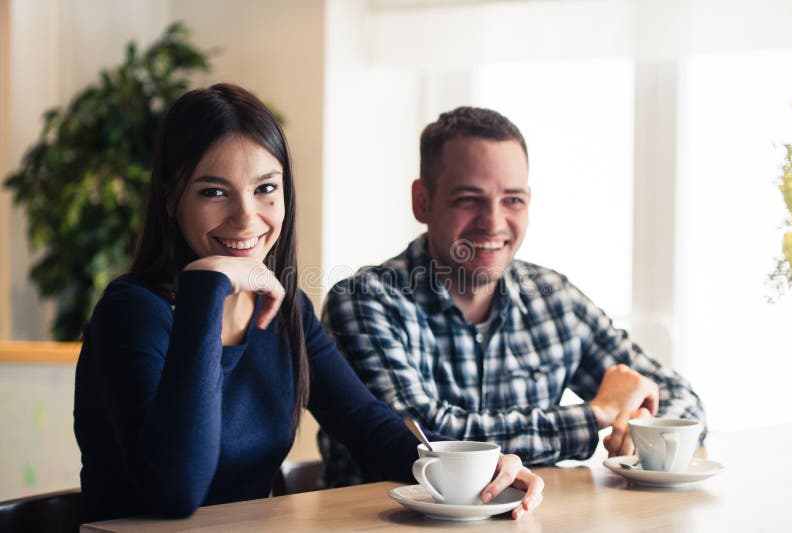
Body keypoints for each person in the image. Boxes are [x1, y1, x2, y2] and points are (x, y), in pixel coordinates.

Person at [73, 86, 544, 522]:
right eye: (213, 192)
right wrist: (207, 288)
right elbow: (173, 492)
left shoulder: (283, 311)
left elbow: (367, 426)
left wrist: (480, 471)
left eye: (265, 189)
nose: (246, 217)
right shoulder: (131, 313)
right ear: (171, 200)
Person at [318, 106, 706, 487]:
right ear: (422, 201)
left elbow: (676, 394)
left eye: (513, 200)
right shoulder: (364, 301)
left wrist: (641, 426)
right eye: (469, 199)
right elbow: (427, 437)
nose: (494, 222)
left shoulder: (554, 298)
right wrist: (597, 414)